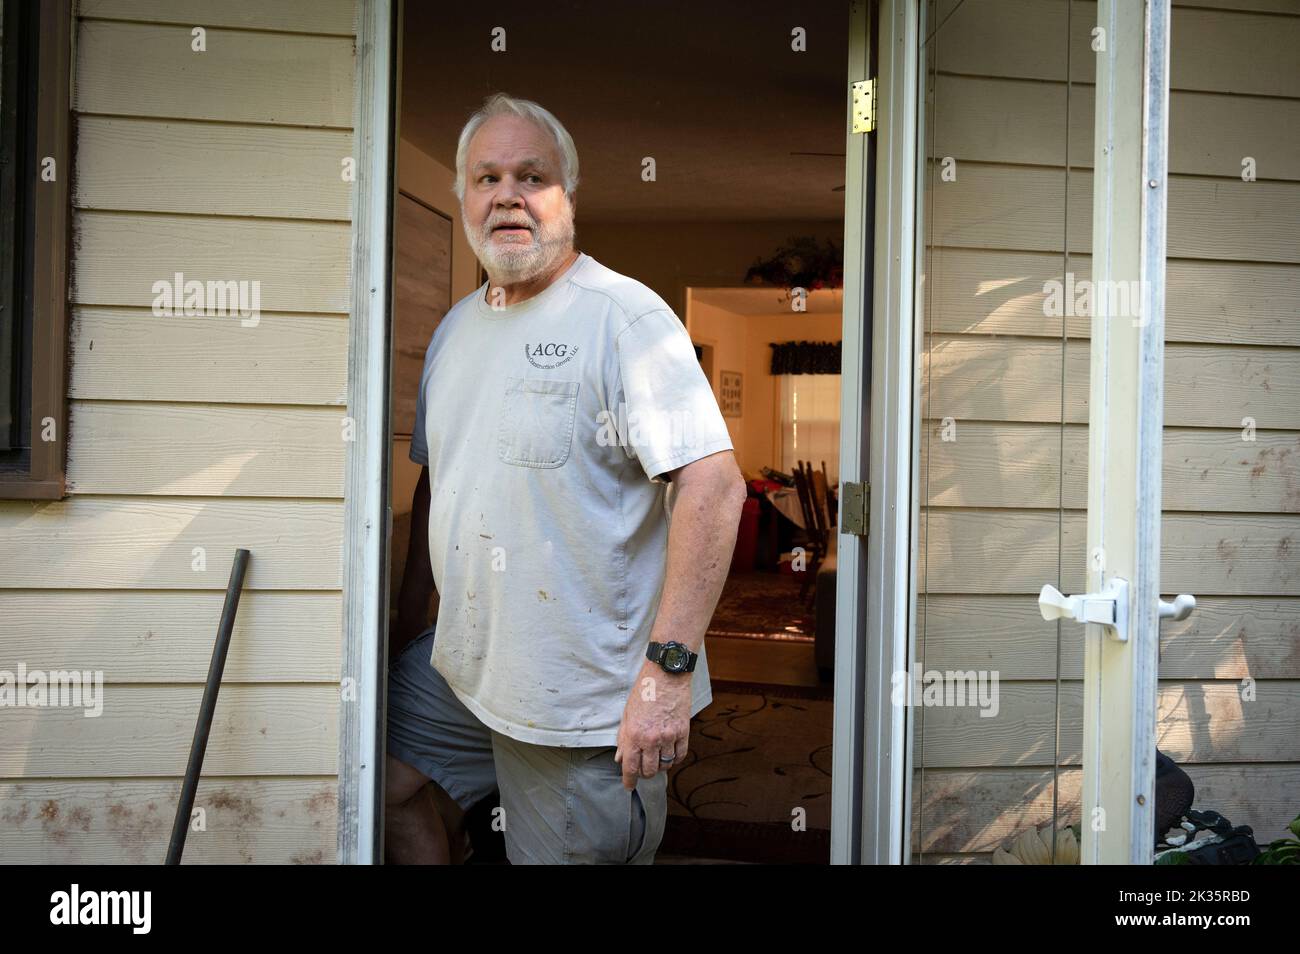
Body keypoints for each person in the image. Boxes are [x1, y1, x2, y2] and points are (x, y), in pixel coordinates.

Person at [385, 92, 746, 864]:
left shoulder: (623, 318)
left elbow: (715, 487)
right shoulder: (455, 329)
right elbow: (436, 481)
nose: (507, 195)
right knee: (376, 780)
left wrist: (666, 676)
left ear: (567, 196)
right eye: (487, 178)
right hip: (463, 669)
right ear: (463, 197)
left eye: (531, 176)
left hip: (583, 699)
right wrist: (406, 623)